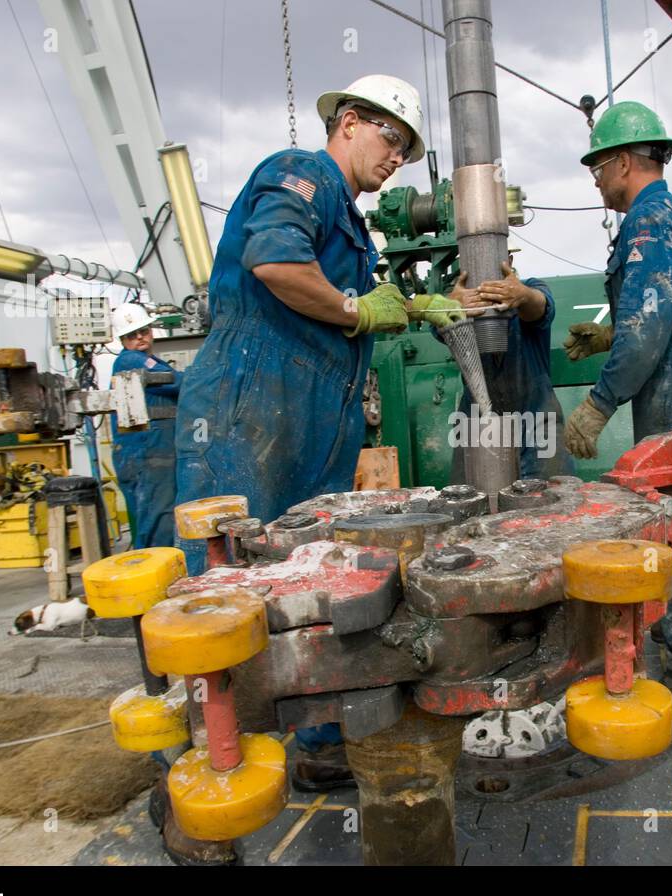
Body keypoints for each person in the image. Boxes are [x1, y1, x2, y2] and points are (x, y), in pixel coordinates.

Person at [174, 74, 459, 791]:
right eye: (392, 138)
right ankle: (200, 761)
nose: (397, 159)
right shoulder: (301, 171)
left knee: (304, 574)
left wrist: (414, 305)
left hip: (308, 419)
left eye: (407, 151)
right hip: (251, 398)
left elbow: (348, 294)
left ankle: (310, 737)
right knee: (224, 580)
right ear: (352, 122)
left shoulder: (351, 223)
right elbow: (274, 263)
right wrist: (360, 311)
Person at [563, 101, 672, 699]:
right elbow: (655, 317)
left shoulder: (646, 220)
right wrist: (609, 334)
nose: (595, 179)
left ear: (619, 161)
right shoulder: (668, 215)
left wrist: (598, 402)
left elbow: (648, 329)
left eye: (596, 167)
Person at [444, 248, 575, 480]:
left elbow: (540, 306)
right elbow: (437, 324)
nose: (483, 270)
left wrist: (523, 295)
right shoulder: (457, 303)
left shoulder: (530, 290)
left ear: (510, 261)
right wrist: (448, 307)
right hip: (478, 424)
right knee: (470, 506)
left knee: (552, 505)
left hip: (536, 421)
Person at [109, 303, 180, 549]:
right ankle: (157, 574)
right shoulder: (131, 359)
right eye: (131, 334)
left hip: (148, 451)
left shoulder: (148, 359)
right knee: (156, 518)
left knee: (152, 516)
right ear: (122, 339)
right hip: (145, 452)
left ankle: (157, 567)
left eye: (144, 331)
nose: (139, 337)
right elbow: (174, 382)